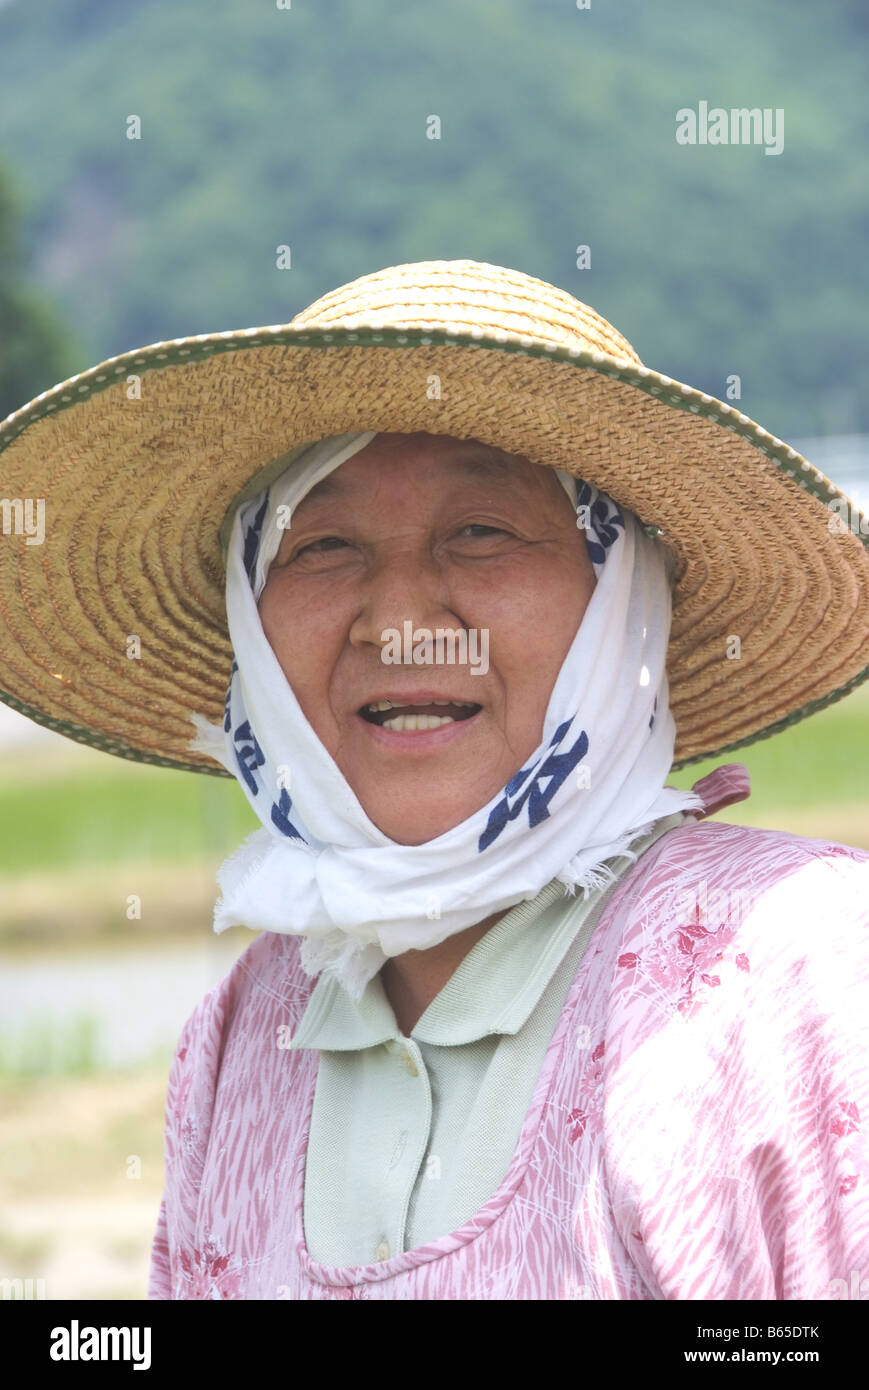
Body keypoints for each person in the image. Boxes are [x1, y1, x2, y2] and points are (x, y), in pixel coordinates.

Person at [1, 259, 867, 1300]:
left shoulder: (796, 969)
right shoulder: (250, 1028)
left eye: (480, 531)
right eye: (320, 545)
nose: (397, 620)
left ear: (617, 599)